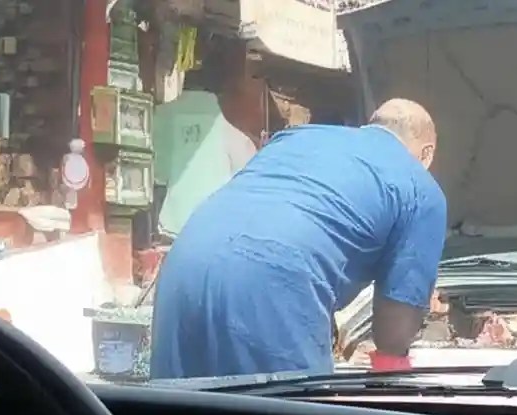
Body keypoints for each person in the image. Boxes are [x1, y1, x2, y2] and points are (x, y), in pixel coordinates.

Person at [149, 98, 446, 379]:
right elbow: (394, 332)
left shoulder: (295, 139)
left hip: (181, 268)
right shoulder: (419, 186)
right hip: (270, 284)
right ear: (427, 153)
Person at [152, 66, 256, 240]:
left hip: (170, 226)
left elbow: (155, 174)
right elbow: (248, 184)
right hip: (215, 228)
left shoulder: (160, 115)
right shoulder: (234, 133)